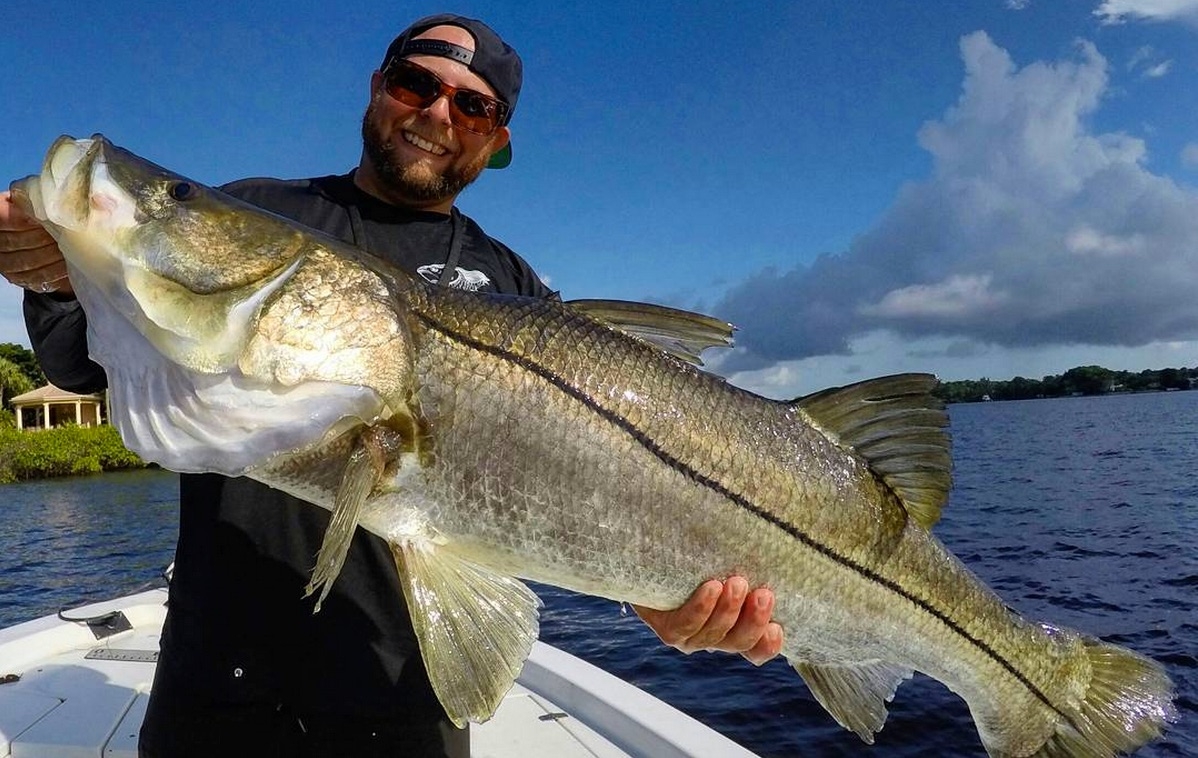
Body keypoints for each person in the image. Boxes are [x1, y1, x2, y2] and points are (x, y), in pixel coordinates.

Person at [0, 14, 783, 758]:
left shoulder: (512, 286)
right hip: (215, 689)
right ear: (378, 86)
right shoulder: (264, 209)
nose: (438, 113)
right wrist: (56, 277)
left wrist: (661, 596)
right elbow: (78, 363)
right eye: (416, 83)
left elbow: (593, 482)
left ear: (495, 137)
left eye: (472, 105)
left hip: (405, 704)